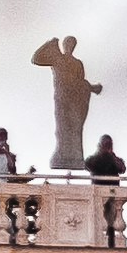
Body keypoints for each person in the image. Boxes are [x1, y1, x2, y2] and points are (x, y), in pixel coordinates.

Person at [33, 35, 103, 170]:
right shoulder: (57, 59)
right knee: (62, 129)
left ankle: (74, 156)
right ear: (64, 45)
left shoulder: (77, 64)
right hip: (62, 100)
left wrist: (90, 87)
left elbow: (80, 83)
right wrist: (49, 43)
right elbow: (37, 59)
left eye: (72, 44)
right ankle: (62, 155)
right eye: (67, 43)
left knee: (75, 129)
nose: (69, 46)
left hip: (74, 102)